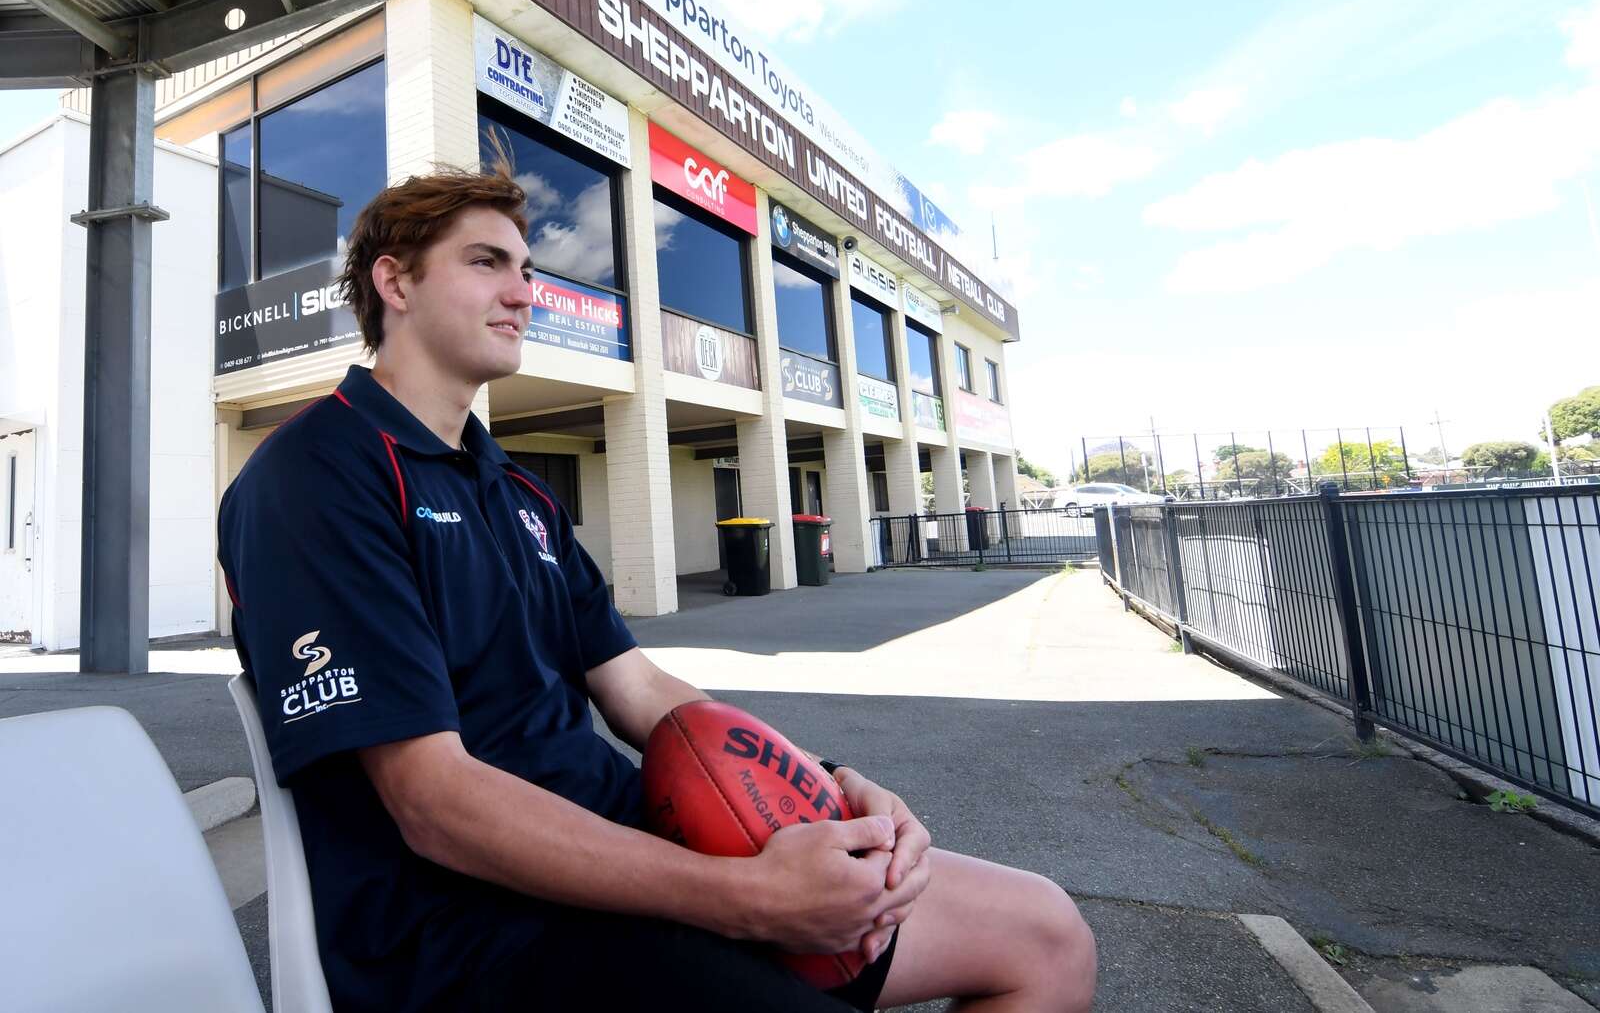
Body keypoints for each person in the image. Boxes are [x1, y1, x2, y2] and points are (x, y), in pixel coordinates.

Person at [218, 164, 1096, 1013]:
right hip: (475, 933)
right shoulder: (317, 476)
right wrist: (748, 897)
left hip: (639, 855)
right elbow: (434, 803)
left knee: (1048, 938)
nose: (524, 292)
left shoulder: (516, 492)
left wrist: (819, 782)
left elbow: (637, 687)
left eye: (527, 270)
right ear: (394, 283)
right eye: (486, 263)